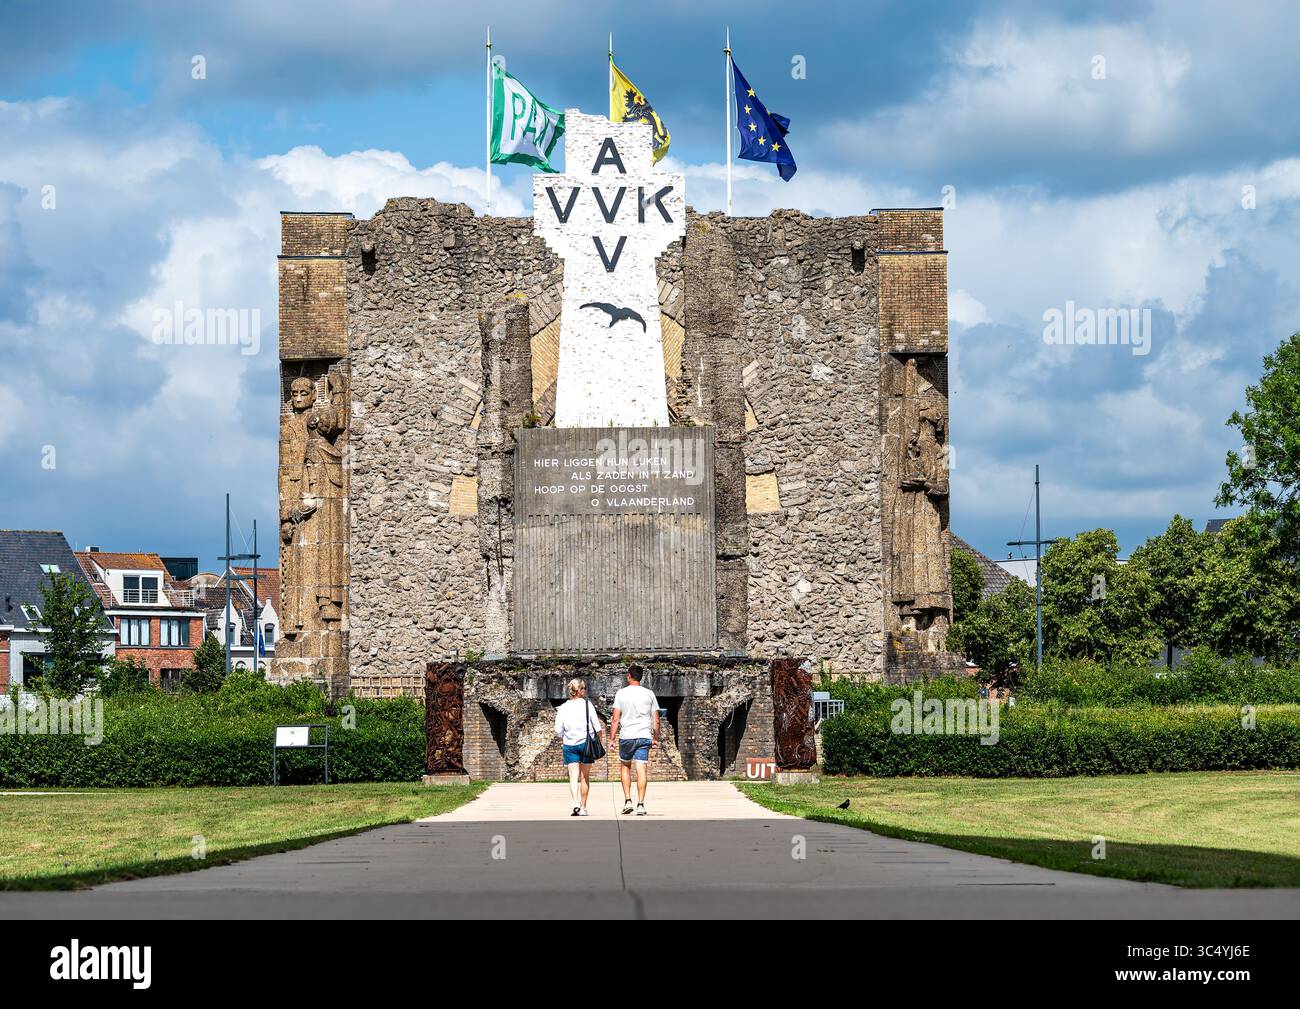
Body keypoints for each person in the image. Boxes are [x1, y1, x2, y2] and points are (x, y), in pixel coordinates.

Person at [609, 665, 659, 816]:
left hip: (627, 736)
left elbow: (615, 719)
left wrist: (612, 739)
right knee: (641, 769)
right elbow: (656, 720)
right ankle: (641, 805)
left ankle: (628, 801)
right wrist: (655, 738)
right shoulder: (649, 694)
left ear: (629, 676)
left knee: (625, 766)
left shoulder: (621, 693)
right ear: (641, 677)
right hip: (644, 736)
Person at [553, 678, 604, 816]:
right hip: (586, 744)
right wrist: (599, 741)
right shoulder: (587, 705)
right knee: (584, 777)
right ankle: (583, 807)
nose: (585, 690)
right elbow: (597, 727)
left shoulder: (563, 708)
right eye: (584, 688)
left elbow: (558, 731)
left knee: (573, 776)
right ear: (580, 690)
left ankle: (575, 801)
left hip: (569, 745)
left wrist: (567, 735)